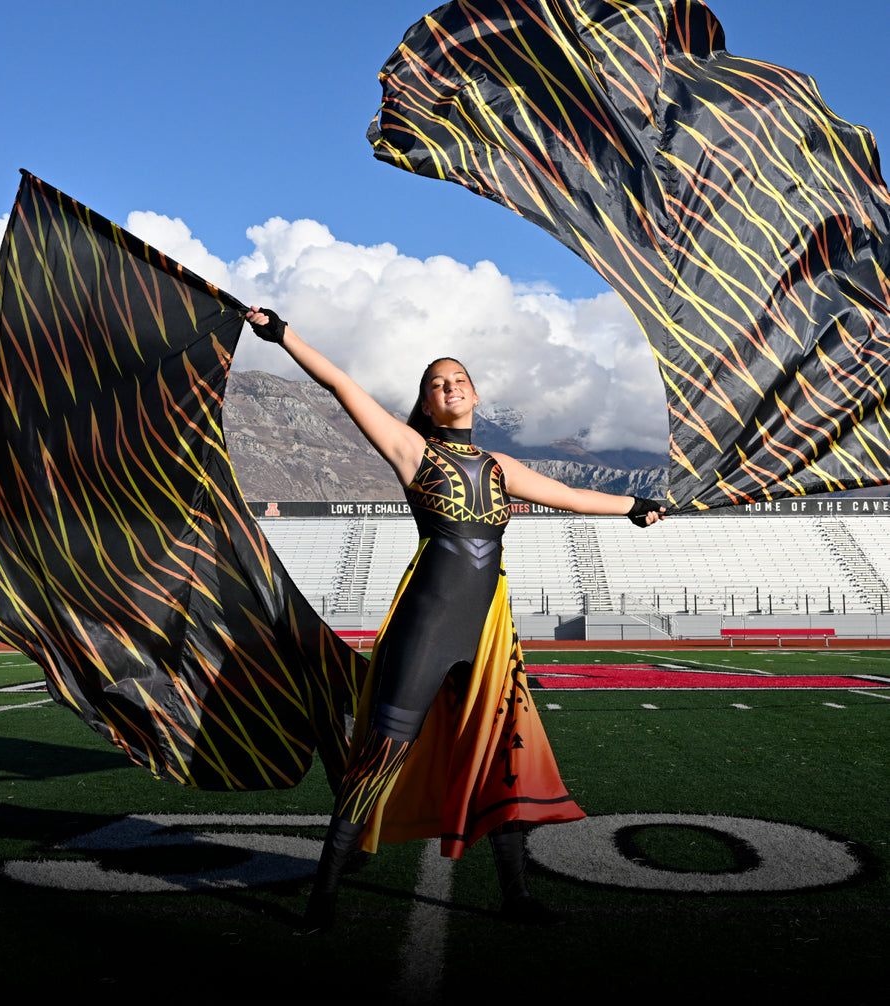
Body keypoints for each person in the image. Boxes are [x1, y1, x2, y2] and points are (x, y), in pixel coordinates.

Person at [247, 307, 665, 931]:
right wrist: (283, 335)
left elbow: (576, 497)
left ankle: (517, 897)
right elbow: (341, 385)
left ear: (475, 393)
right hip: (426, 629)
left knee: (502, 759)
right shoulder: (412, 452)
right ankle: (324, 899)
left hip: (488, 634)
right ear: (426, 403)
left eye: (459, 377)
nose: (451, 385)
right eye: (438, 383)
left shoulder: (501, 468)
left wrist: (635, 505)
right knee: (381, 756)